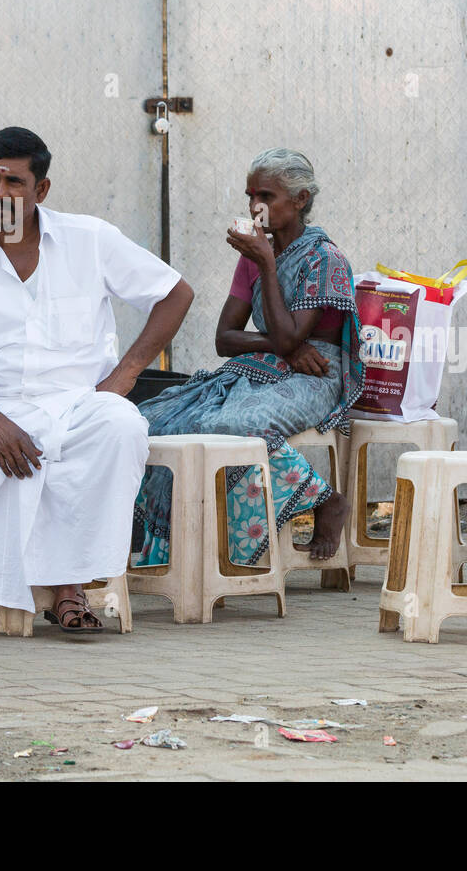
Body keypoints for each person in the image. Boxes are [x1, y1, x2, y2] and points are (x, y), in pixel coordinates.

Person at [0, 127, 194, 635]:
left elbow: (176, 293)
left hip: (76, 409)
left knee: (121, 426)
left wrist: (125, 375)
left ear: (41, 190)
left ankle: (70, 587)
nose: (1, 193)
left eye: (15, 182)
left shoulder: (91, 239)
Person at [132, 149, 364, 568]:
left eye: (267, 196)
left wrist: (269, 269)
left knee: (231, 426)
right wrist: (282, 346)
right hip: (263, 367)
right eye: (250, 195)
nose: (255, 206)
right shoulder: (253, 257)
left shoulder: (323, 259)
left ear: (300, 200)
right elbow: (226, 339)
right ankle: (192, 547)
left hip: (316, 374)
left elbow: (290, 333)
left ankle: (325, 500)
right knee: (153, 421)